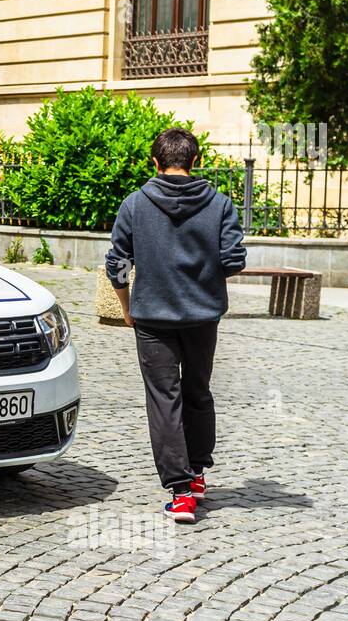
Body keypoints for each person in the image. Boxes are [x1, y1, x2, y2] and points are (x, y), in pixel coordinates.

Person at [104, 128, 247, 524]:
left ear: (155, 161)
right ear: (194, 161)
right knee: (198, 391)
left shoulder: (135, 205)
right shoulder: (219, 204)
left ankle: (181, 494)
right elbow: (234, 260)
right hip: (203, 317)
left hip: (152, 317)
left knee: (164, 399)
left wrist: (127, 307)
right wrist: (201, 279)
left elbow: (116, 264)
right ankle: (198, 474)